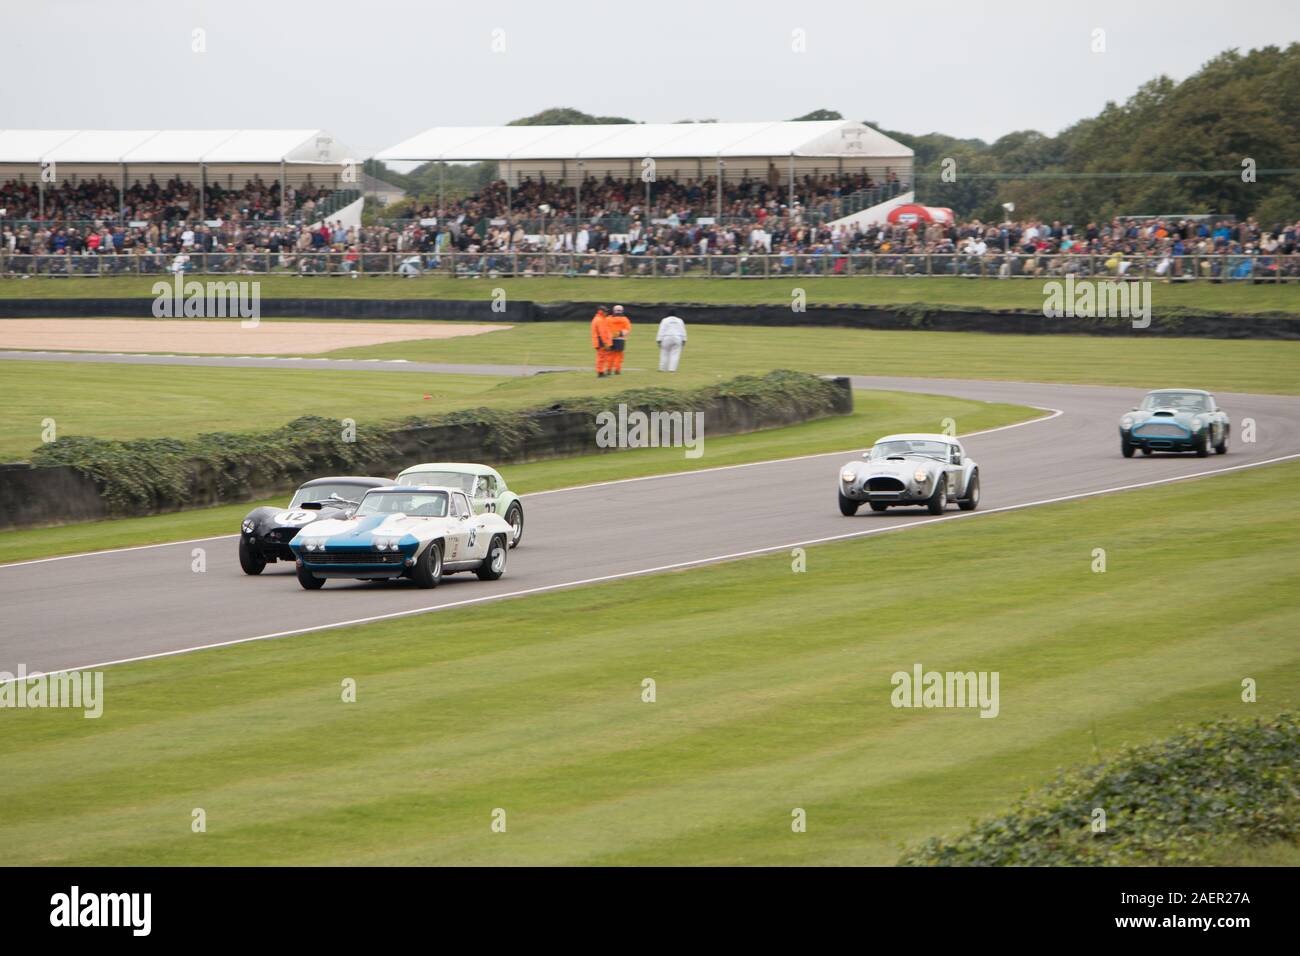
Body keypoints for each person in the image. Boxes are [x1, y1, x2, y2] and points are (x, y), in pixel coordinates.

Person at [606, 305, 631, 375]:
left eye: (619, 310)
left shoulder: (608, 319)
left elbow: (605, 329)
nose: (618, 311)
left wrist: (611, 335)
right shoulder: (625, 320)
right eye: (618, 310)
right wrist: (619, 334)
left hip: (610, 339)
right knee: (619, 356)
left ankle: (609, 369)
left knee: (610, 355)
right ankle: (617, 370)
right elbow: (627, 330)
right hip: (620, 340)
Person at [591, 306, 612, 377]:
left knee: (601, 357)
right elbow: (602, 333)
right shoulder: (600, 320)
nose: (607, 313)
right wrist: (606, 343)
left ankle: (601, 372)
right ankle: (600, 373)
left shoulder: (599, 319)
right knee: (601, 358)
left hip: (599, 341)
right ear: (601, 311)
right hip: (601, 341)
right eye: (605, 311)